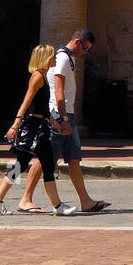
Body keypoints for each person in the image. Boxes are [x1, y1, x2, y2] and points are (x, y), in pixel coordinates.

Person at [0, 44, 77, 216]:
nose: (55, 58)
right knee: (48, 165)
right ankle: (58, 206)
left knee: (21, 165)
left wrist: (58, 125)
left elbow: (43, 109)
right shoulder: (37, 77)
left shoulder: (43, 76)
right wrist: (15, 125)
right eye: (52, 56)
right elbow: (26, 102)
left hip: (40, 125)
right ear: (44, 58)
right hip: (35, 129)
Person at [47, 28, 109, 213]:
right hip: (60, 115)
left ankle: (85, 201)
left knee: (73, 158)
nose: (85, 52)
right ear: (76, 42)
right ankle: (22, 198)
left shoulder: (69, 58)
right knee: (45, 159)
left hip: (67, 114)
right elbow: (59, 92)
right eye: (85, 48)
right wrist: (63, 118)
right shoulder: (63, 58)